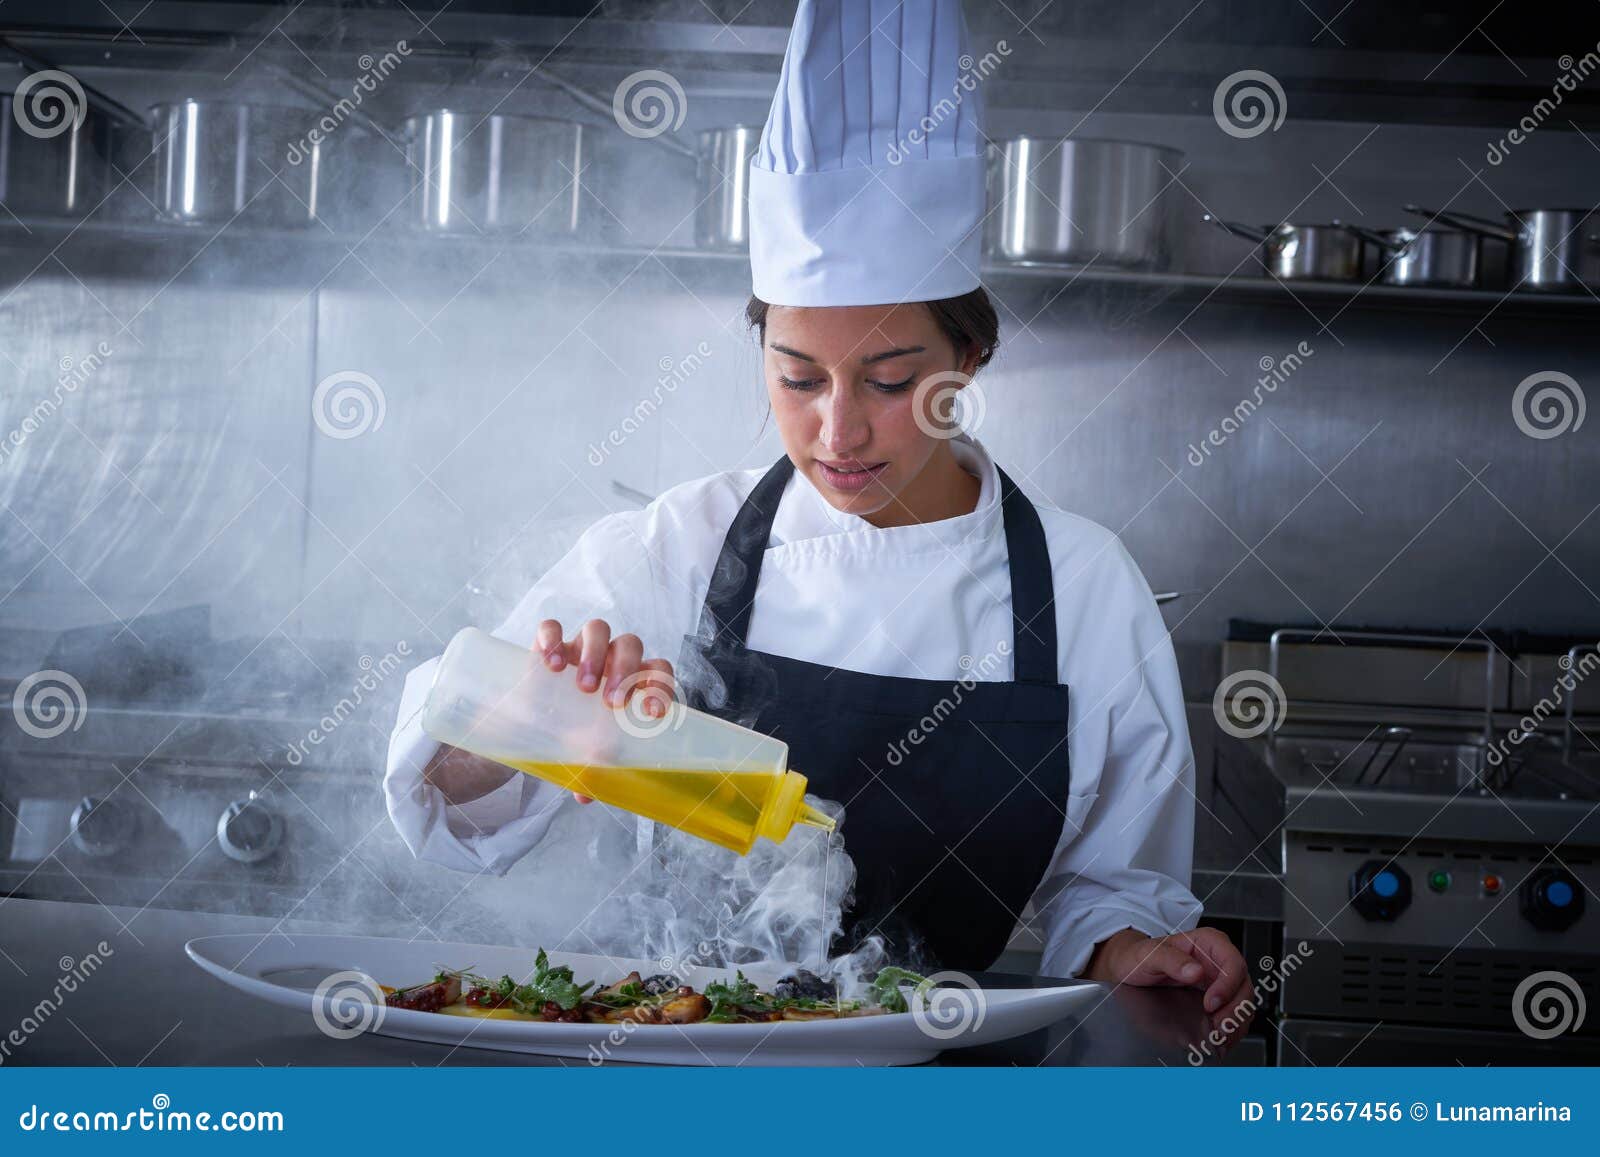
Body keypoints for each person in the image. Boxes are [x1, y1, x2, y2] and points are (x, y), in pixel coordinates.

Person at [385, 0, 1253, 1035]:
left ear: (968, 357)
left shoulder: (1082, 586)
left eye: (889, 380)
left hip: (930, 1080)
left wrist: (1137, 946)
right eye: (797, 377)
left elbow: (1110, 891)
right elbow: (452, 781)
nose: (838, 429)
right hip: (669, 1055)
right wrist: (537, 719)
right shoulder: (678, 549)